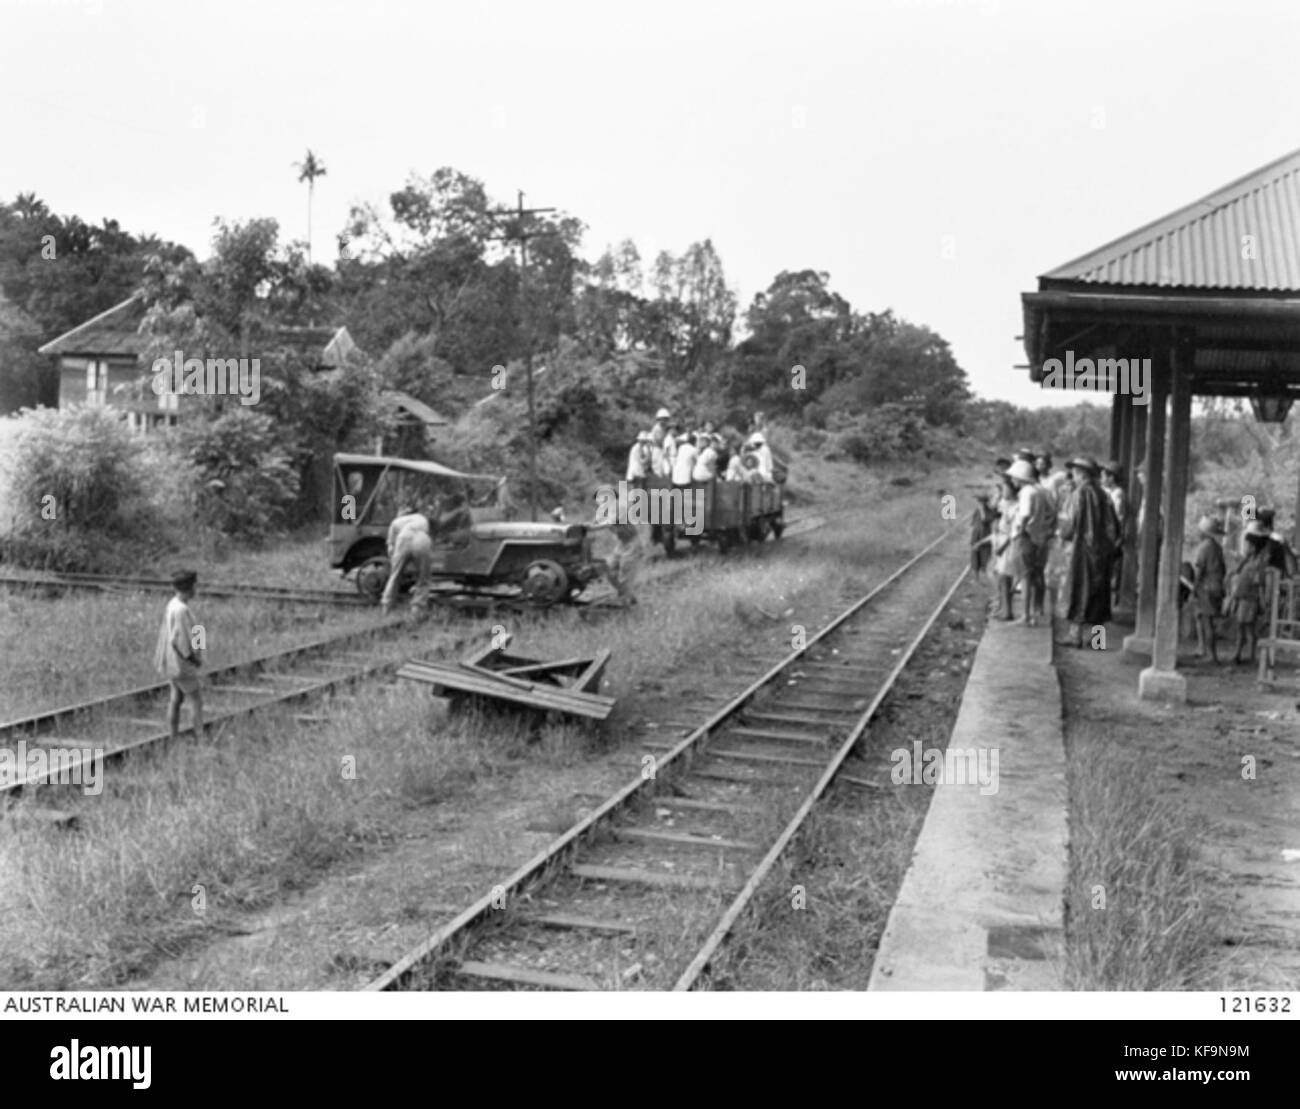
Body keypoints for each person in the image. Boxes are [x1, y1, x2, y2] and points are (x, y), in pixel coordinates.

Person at [1058, 457, 1118, 648]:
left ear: (1081, 474)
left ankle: (1075, 637)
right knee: (1099, 596)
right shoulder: (1103, 494)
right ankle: (1097, 641)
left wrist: (1063, 535)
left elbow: (1070, 524)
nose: (1073, 476)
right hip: (1102, 551)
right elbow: (1114, 526)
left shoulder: (1079, 494)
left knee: (1078, 591)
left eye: (1075, 472)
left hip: (1082, 550)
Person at [154, 569, 205, 742]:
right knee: (196, 701)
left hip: (170, 662)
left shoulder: (173, 604)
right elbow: (181, 641)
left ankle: (173, 736)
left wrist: (200, 643)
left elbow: (197, 631)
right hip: (181, 664)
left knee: (175, 699)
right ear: (190, 587)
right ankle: (201, 739)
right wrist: (194, 659)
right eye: (195, 585)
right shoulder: (182, 610)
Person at [1009, 458, 1053, 625]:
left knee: (1025, 577)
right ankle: (1036, 610)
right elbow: (1051, 512)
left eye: (1014, 477)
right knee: (1036, 575)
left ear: (1020, 477)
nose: (1012, 480)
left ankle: (1026, 616)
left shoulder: (1027, 492)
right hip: (1038, 538)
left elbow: (1025, 513)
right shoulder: (1041, 491)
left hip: (1026, 538)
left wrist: (1020, 530)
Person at [1227, 523, 1270, 664]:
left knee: (1248, 627)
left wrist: (1263, 602)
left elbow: (1259, 584)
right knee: (1241, 626)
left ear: (1254, 547)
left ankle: (1249, 655)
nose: (1246, 547)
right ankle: (1239, 653)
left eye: (1248, 545)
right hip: (1243, 597)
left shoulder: (1258, 563)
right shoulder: (1247, 561)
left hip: (1250, 598)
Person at [381, 509, 433, 614]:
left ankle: (386, 607)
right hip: (422, 539)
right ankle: (417, 608)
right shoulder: (422, 518)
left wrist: (395, 564)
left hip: (403, 537)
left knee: (395, 576)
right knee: (424, 577)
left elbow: (390, 548)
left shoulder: (395, 522)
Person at [1191, 515, 1226, 663]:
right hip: (1217, 586)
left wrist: (1194, 587)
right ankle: (1205, 650)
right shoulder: (1217, 548)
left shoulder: (1204, 548)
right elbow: (1223, 569)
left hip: (1207, 588)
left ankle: (1211, 655)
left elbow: (1199, 570)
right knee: (1205, 620)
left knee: (1207, 621)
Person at [991, 474, 1020, 620]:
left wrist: (1002, 546)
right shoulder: (1007, 504)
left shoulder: (1016, 506)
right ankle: (1003, 608)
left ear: (1012, 490)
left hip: (1008, 544)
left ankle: (1008, 611)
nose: (1003, 492)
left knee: (1005, 577)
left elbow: (1015, 530)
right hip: (1002, 540)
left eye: (1005, 489)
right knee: (1002, 577)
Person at [1100, 461, 1128, 603]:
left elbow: (1116, 517)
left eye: (1104, 476)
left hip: (1111, 537)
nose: (1101, 479)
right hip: (1107, 536)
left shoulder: (1117, 494)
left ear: (1111, 478)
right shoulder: (1107, 492)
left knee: (1110, 572)